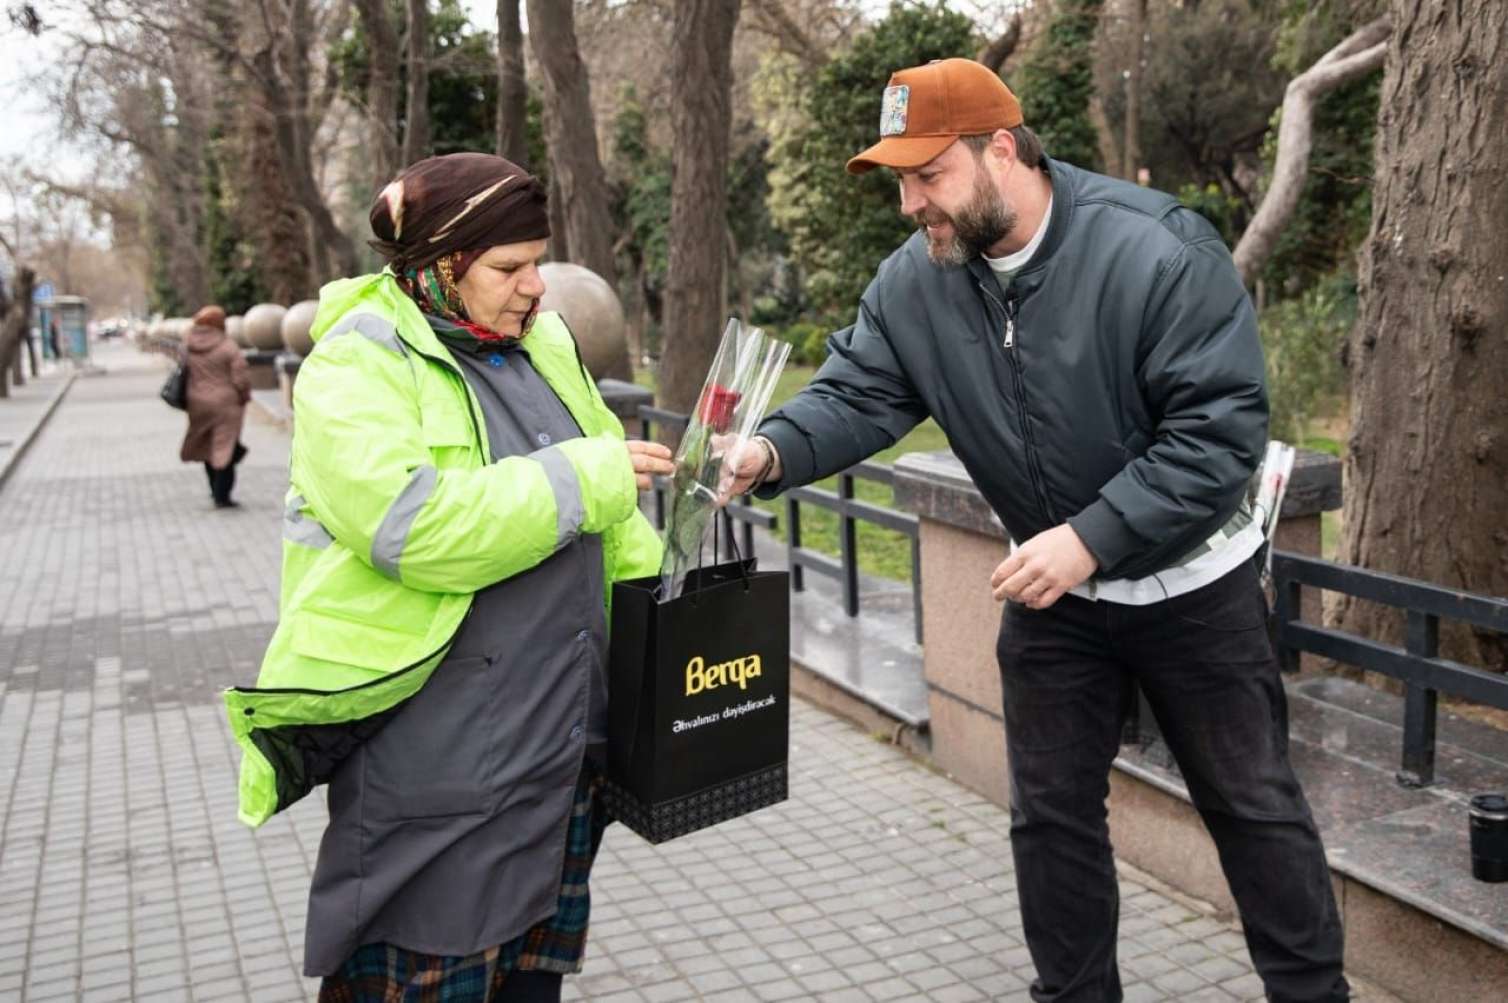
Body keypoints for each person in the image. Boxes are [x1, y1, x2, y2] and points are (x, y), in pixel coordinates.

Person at [722, 58, 1349, 1003]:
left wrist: (1089, 535)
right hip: (1057, 608)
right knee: (1050, 823)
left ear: (1002, 151)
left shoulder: (1160, 251)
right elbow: (857, 391)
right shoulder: (915, 284)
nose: (908, 204)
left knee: (1254, 811)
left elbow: (1217, 436)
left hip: (1196, 597)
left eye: (928, 176)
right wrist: (770, 450)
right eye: (900, 180)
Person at [224, 152, 673, 1003]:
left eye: (539, 260)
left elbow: (606, 525)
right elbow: (415, 526)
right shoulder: (357, 364)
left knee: (532, 977)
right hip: (437, 761)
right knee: (425, 970)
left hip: (559, 745)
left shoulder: (541, 344)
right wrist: (587, 475)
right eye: (510, 267)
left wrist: (664, 617)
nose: (536, 286)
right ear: (438, 267)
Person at [178, 304, 250, 508]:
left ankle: (213, 488)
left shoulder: (187, 343)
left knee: (208, 446)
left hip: (197, 403)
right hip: (226, 404)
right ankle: (222, 495)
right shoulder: (228, 346)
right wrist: (244, 396)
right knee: (225, 447)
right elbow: (241, 378)